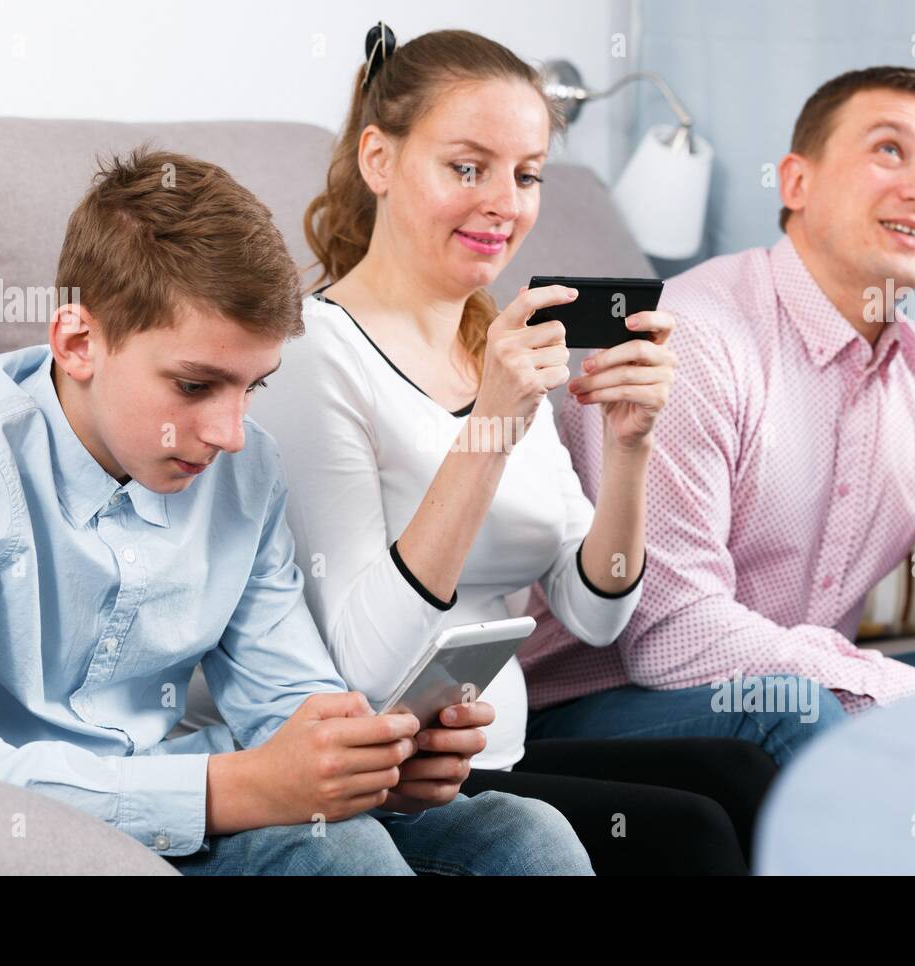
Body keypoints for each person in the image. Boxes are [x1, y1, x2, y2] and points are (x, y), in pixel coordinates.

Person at [0, 148, 592, 876]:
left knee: (524, 834)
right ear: (77, 341)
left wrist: (365, 760)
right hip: (12, 822)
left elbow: (285, 697)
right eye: (194, 386)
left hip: (175, 786)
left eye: (252, 386)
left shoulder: (245, 466)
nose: (229, 435)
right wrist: (233, 789)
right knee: (337, 855)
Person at [251, 24, 780, 875]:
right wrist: (491, 428)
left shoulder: (495, 342)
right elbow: (365, 664)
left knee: (745, 775)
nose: (506, 201)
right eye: (468, 167)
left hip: (500, 752)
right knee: (694, 831)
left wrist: (631, 448)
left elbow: (595, 609)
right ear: (378, 161)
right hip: (403, 779)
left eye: (527, 174)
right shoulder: (315, 354)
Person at [522, 66, 915, 756]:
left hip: (800, 691)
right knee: (797, 710)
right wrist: (910, 698)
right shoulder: (693, 337)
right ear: (796, 183)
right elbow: (671, 637)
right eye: (890, 150)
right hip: (593, 704)